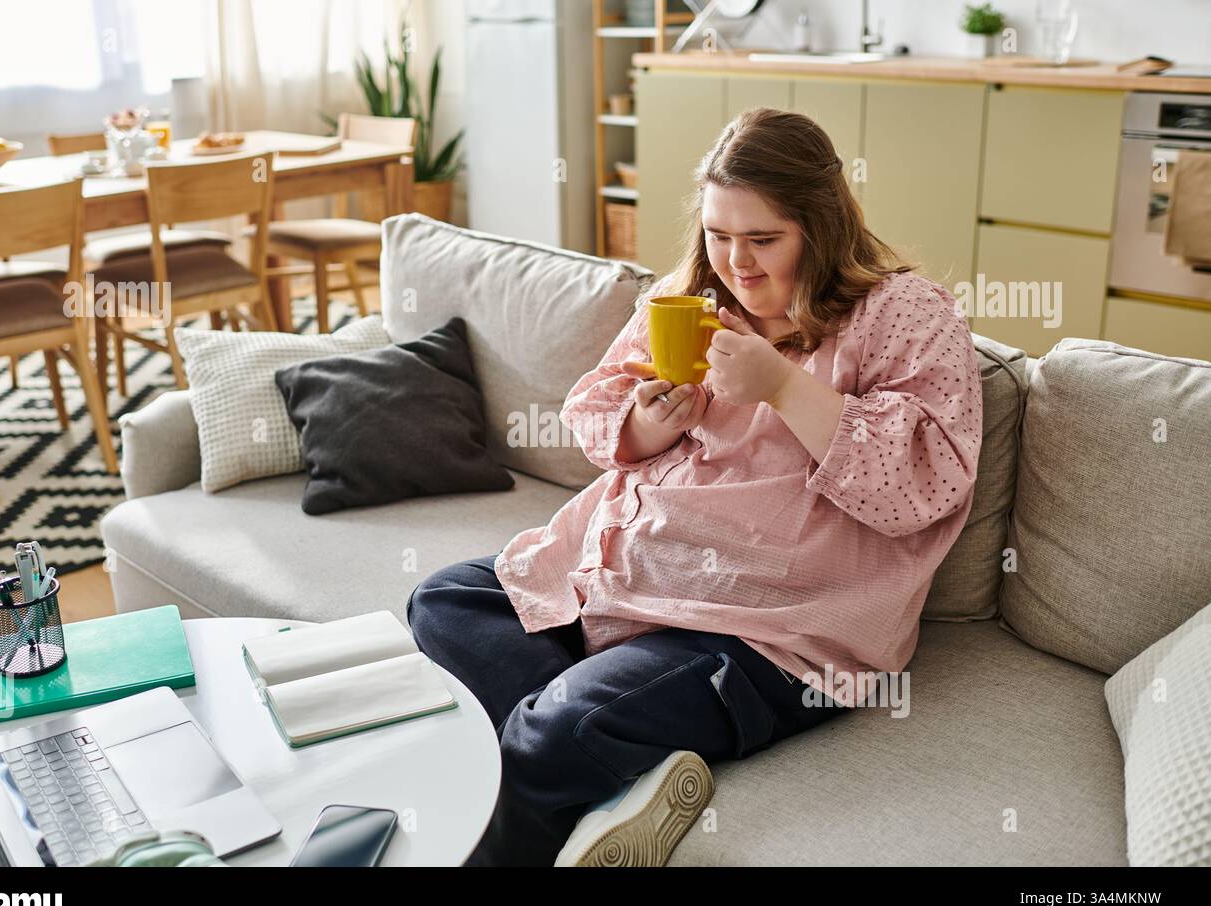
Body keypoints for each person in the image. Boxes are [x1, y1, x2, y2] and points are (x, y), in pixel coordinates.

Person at [407, 107, 984, 867]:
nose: (737, 262)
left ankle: (574, 736)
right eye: (718, 234)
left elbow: (923, 483)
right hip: (617, 579)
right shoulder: (694, 298)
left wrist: (780, 383)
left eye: (764, 239)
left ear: (824, 227)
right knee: (445, 602)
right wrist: (647, 426)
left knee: (561, 729)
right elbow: (595, 409)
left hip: (761, 631)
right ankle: (619, 770)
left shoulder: (902, 312)